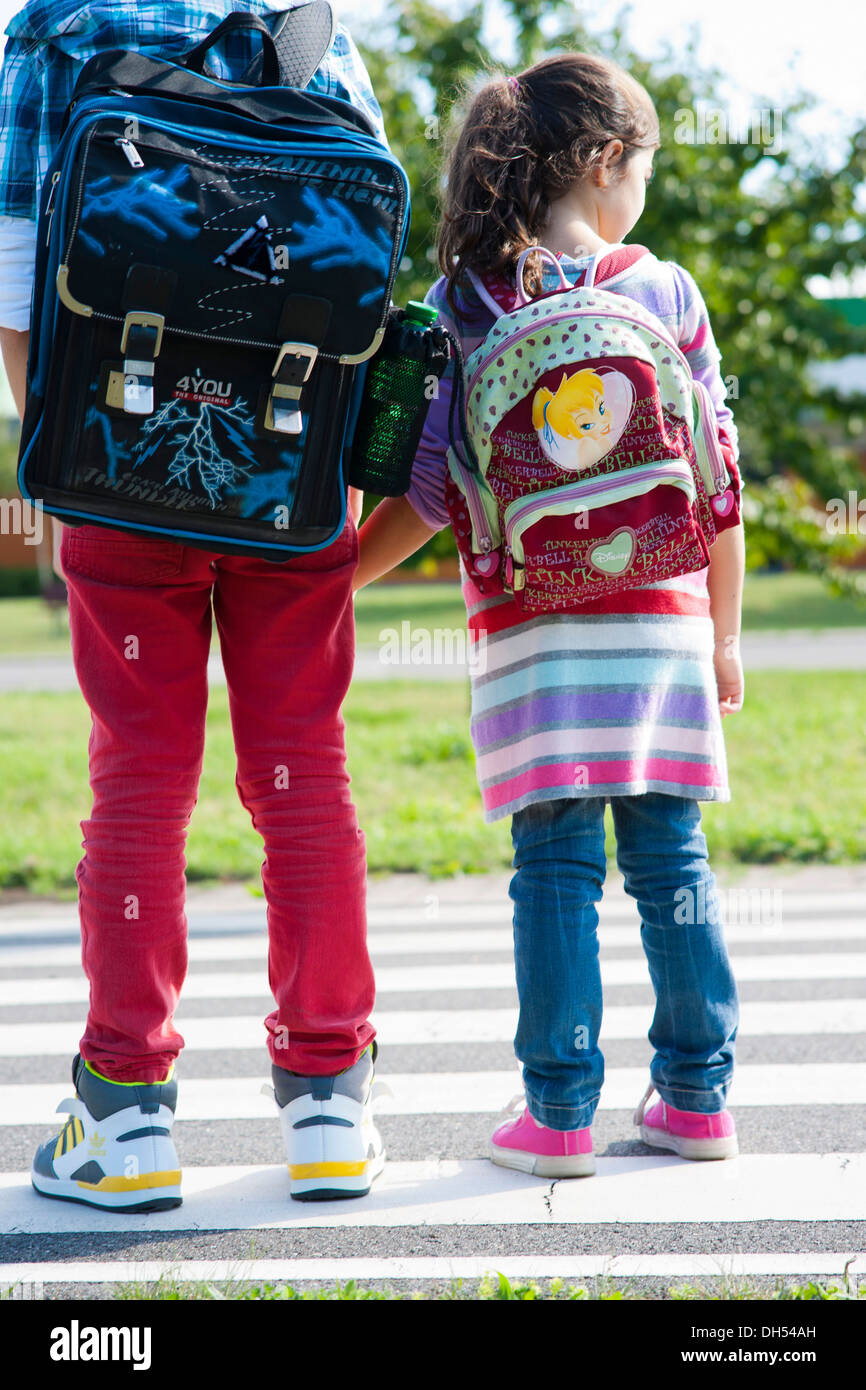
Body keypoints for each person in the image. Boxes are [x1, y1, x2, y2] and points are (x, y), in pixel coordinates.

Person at [0, 0, 389, 1208]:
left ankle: (125, 1117)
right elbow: (359, 281)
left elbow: (18, 281)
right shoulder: (307, 28)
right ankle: (328, 1103)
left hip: (119, 475)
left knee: (140, 781)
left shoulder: (54, 29)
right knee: (302, 776)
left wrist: (68, 454)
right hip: (294, 483)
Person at [354, 53, 744, 1177]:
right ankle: (695, 1097)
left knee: (557, 872)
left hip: (531, 640)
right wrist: (721, 633)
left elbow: (425, 494)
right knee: (672, 860)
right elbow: (718, 478)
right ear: (606, 161)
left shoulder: (460, 303)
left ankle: (559, 1112)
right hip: (663, 632)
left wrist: (332, 585)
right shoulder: (663, 290)